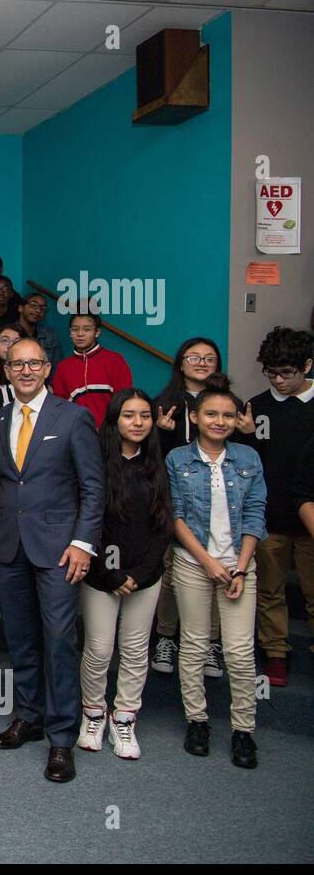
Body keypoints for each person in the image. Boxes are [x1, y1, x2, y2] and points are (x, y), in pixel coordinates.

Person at [0, 338, 103, 783]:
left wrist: (83, 543)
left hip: (59, 551)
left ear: (47, 368)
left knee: (58, 641)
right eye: (18, 364)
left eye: (34, 363)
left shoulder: (73, 417)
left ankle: (62, 737)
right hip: (10, 547)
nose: (26, 370)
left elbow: (93, 487)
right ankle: (28, 717)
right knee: (21, 638)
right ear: (7, 371)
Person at [166, 375, 265, 769]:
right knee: (193, 644)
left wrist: (239, 567)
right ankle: (198, 721)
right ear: (195, 416)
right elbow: (174, 516)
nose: (220, 421)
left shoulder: (248, 459)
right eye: (211, 413)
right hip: (193, 564)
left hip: (240, 567)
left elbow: (256, 513)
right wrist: (207, 561)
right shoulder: (177, 459)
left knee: (239, 652)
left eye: (228, 414)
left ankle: (243, 730)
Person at [78, 389, 173, 760]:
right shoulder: (94, 464)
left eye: (145, 416)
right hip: (100, 574)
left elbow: (164, 524)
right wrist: (110, 573)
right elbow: (85, 521)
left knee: (135, 651)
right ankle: (93, 713)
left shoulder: (156, 463)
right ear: (114, 420)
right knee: (99, 649)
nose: (137, 422)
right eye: (129, 415)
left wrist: (140, 572)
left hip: (145, 574)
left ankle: (125, 717)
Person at [234, 326, 314, 688]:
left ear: (307, 367)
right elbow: (248, 464)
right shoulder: (257, 408)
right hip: (270, 518)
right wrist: (247, 434)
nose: (279, 380)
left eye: (288, 373)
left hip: (310, 518)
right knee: (270, 590)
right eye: (272, 373)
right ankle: (276, 651)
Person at [149, 336, 225, 677]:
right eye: (193, 357)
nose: (201, 362)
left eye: (209, 358)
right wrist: (162, 433)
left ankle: (212, 643)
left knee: (218, 569)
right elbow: (147, 457)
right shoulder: (163, 403)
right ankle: (165, 637)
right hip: (173, 500)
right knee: (170, 572)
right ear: (180, 363)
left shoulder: (228, 402)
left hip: (221, 501)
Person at [51, 311, 133, 428]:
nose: (80, 334)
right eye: (75, 329)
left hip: (111, 433)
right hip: (77, 434)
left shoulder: (115, 360)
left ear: (97, 332)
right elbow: (60, 405)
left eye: (87, 329)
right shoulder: (63, 367)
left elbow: (125, 401)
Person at [14, 292, 62, 370]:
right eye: (34, 305)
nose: (38, 310)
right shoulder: (9, 334)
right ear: (21, 308)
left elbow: (57, 368)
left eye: (43, 308)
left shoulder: (50, 336)